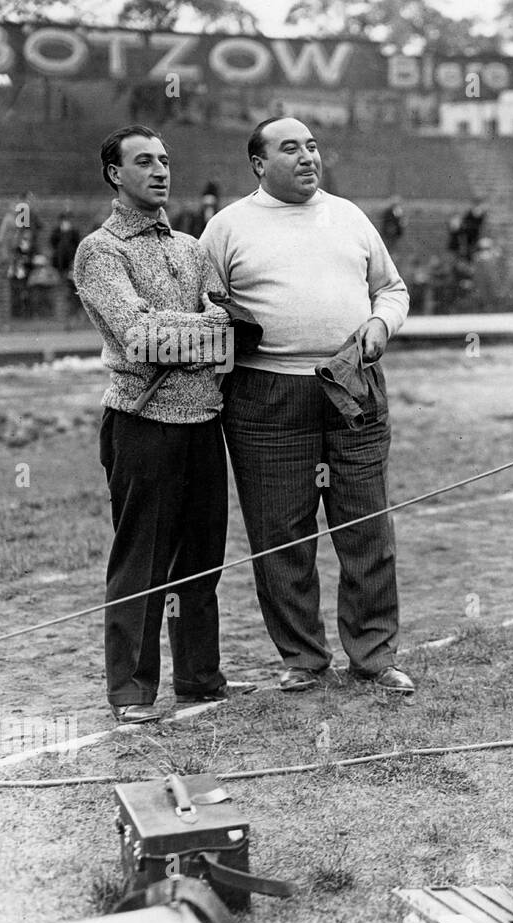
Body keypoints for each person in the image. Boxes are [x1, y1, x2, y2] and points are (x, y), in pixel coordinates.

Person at [199, 117, 414, 695]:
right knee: (281, 532)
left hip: (352, 386)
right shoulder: (226, 227)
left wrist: (378, 322)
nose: (306, 157)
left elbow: (392, 289)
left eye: (312, 146)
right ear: (258, 164)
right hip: (266, 394)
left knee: (366, 526)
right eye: (289, 148)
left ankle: (373, 655)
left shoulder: (349, 215)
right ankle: (303, 657)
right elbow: (205, 306)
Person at [73, 124, 252, 724]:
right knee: (142, 559)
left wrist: (188, 329)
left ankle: (200, 678)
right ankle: (131, 690)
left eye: (165, 160)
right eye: (143, 161)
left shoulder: (192, 249)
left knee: (202, 558)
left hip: (205, 421)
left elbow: (235, 335)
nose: (159, 171)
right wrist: (205, 329)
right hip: (142, 423)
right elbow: (139, 337)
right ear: (114, 174)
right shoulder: (101, 252)